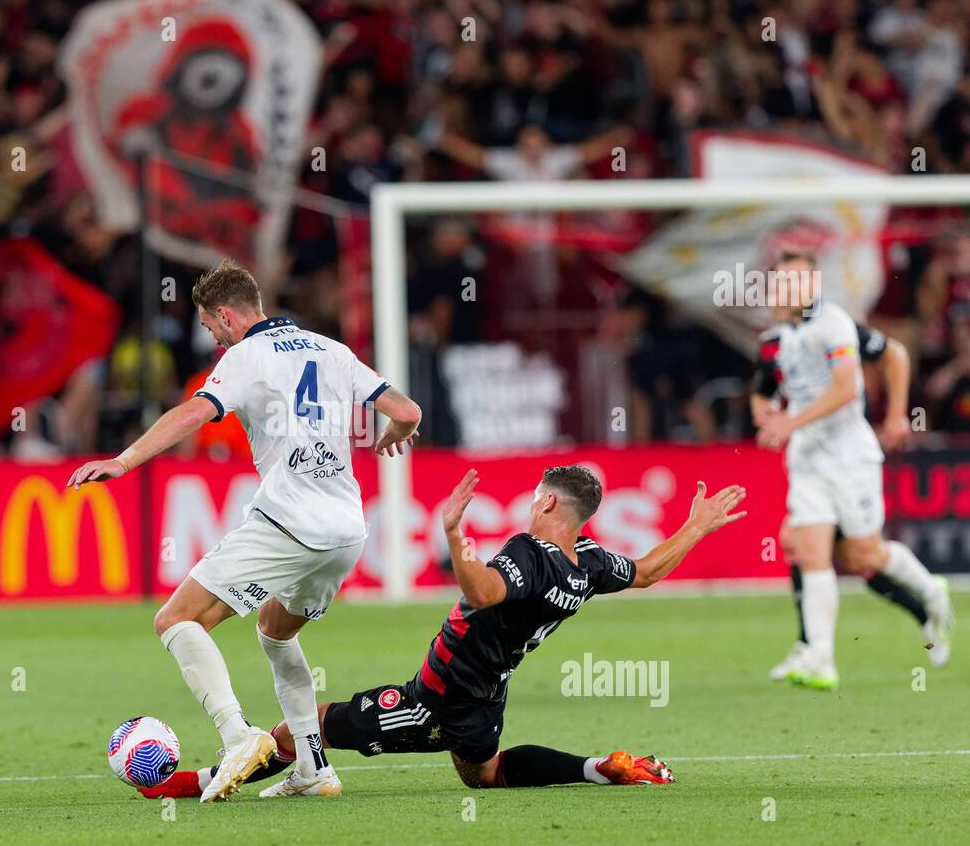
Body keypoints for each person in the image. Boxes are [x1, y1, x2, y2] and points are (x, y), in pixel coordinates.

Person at [142, 464, 746, 798]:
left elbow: (483, 592)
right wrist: (696, 529)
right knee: (482, 773)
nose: (532, 502)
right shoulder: (586, 564)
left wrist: (455, 538)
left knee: (310, 726)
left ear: (548, 506)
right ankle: (598, 768)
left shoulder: (530, 555)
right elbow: (643, 572)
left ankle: (191, 782)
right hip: (488, 695)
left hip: (439, 694)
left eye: (537, 496)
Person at [67, 259, 421, 801]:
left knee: (177, 618)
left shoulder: (244, 357)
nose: (211, 338)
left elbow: (193, 412)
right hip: (346, 530)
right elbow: (407, 409)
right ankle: (314, 769)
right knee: (276, 632)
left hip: (288, 521)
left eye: (210, 327)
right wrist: (395, 431)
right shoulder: (332, 349)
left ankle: (238, 735)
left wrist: (124, 460)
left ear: (227, 317)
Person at [754, 251, 954, 690]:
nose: (785, 290)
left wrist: (898, 414)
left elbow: (848, 388)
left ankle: (929, 592)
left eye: (795, 281)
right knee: (808, 549)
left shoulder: (835, 325)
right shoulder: (777, 338)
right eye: (780, 282)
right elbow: (763, 388)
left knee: (865, 556)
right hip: (808, 460)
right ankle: (819, 658)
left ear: (812, 284)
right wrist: (767, 416)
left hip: (849, 458)